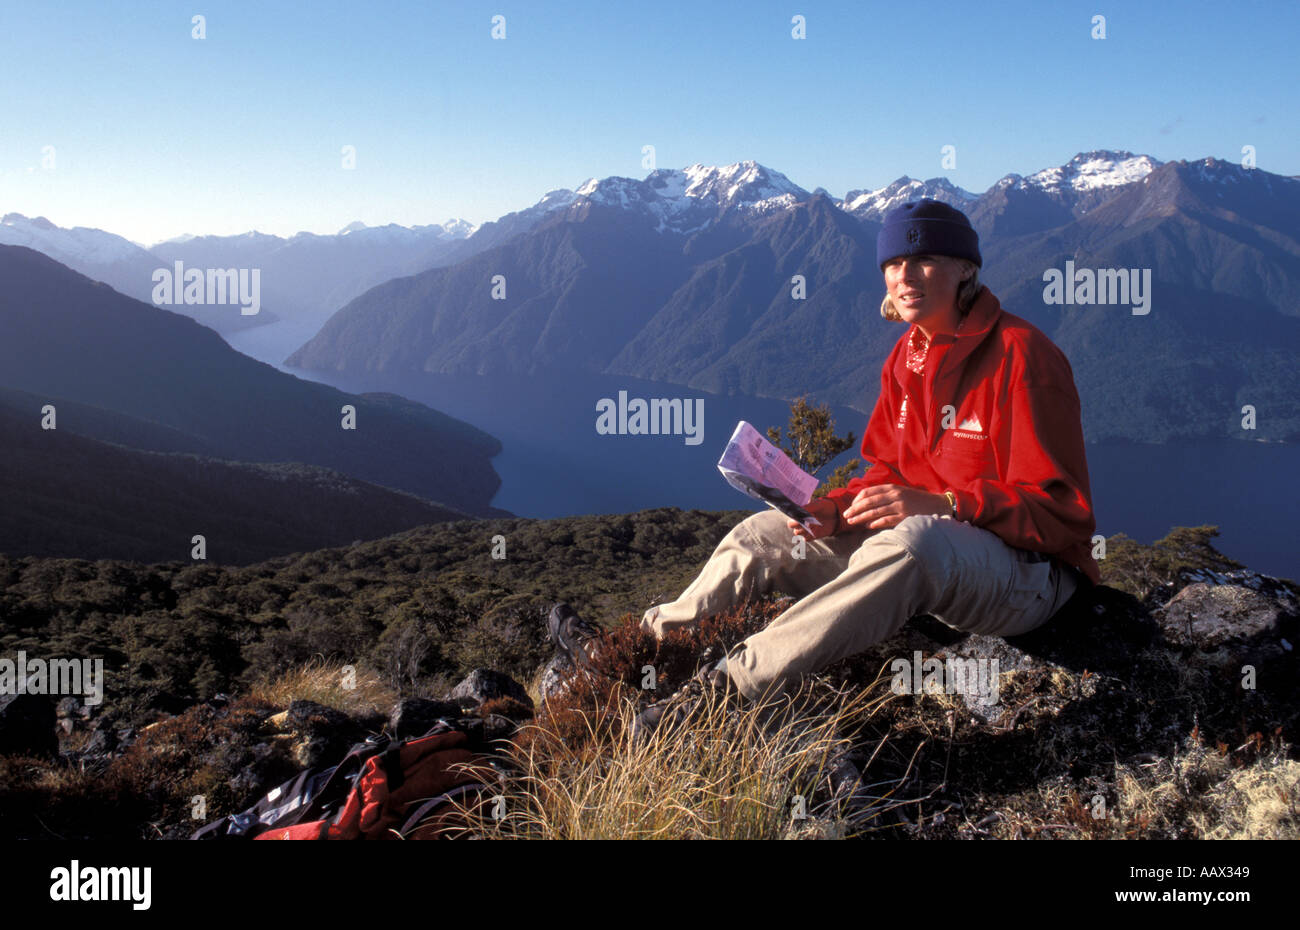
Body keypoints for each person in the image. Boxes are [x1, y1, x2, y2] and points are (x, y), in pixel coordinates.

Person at [549, 199, 1099, 735]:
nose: (906, 275)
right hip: (929, 555)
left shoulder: (1022, 356)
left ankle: (720, 694)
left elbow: (1064, 515)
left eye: (924, 260)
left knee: (914, 545)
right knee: (761, 536)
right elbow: (887, 471)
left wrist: (949, 504)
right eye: (892, 264)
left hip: (1030, 578)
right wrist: (835, 511)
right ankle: (636, 649)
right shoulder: (906, 358)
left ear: (964, 270)